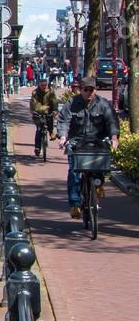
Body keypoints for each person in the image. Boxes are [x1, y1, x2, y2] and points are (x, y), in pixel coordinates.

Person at [56, 77, 119, 219]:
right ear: (81, 90)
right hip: (77, 142)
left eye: (92, 90)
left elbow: (111, 121)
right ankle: (75, 204)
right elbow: (63, 120)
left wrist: (114, 138)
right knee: (73, 172)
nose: (89, 92)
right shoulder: (72, 103)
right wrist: (63, 137)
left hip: (96, 141)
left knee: (102, 162)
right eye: (86, 90)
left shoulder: (103, 104)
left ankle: (98, 183)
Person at [29, 78, 58, 156]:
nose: (44, 87)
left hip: (49, 110)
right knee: (39, 129)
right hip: (38, 112)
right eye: (42, 85)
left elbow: (54, 101)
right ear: (39, 85)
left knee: (50, 119)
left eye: (45, 85)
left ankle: (51, 132)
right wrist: (33, 110)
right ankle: (37, 148)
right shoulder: (35, 92)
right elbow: (33, 103)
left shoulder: (51, 92)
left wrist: (55, 110)